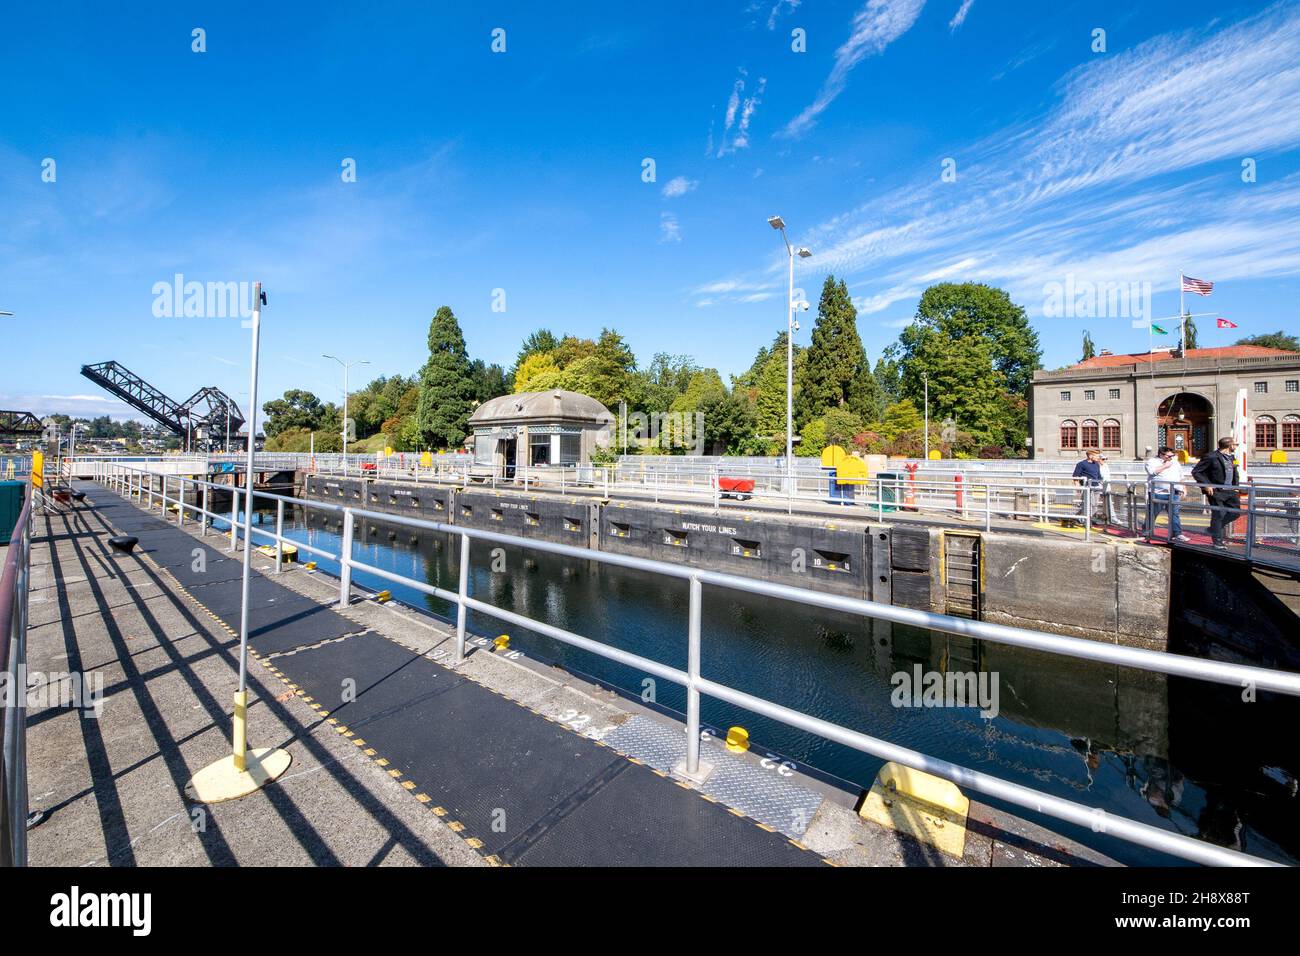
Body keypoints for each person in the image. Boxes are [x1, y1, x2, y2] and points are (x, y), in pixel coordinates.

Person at [1191, 436, 1242, 548]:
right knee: (1218, 514)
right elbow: (1197, 472)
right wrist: (1206, 485)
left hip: (1231, 490)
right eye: (1236, 444)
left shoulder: (1231, 457)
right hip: (1216, 491)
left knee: (1235, 513)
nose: (1236, 447)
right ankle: (1217, 541)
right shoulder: (1211, 456)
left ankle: (1213, 529)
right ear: (1230, 445)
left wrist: (1236, 486)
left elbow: (1234, 473)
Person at [1143, 446, 1188, 542]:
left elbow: (1181, 476)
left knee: (1174, 513)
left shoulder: (1175, 463)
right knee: (1153, 513)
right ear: (1161, 454)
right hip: (1158, 492)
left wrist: (1183, 488)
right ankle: (1147, 531)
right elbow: (1152, 472)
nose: (1171, 457)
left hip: (1174, 492)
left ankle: (1177, 533)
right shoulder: (1152, 462)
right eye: (1169, 456)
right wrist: (1165, 466)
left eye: (1172, 455)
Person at [1071, 449, 1104, 523]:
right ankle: (1085, 520)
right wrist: (1077, 485)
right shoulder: (1081, 464)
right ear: (1090, 456)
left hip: (1096, 487)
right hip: (1087, 487)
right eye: (1096, 456)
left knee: (1094, 505)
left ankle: (1086, 518)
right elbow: (1076, 476)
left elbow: (1099, 476)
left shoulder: (1096, 464)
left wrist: (1102, 484)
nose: (1098, 458)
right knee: (1088, 504)